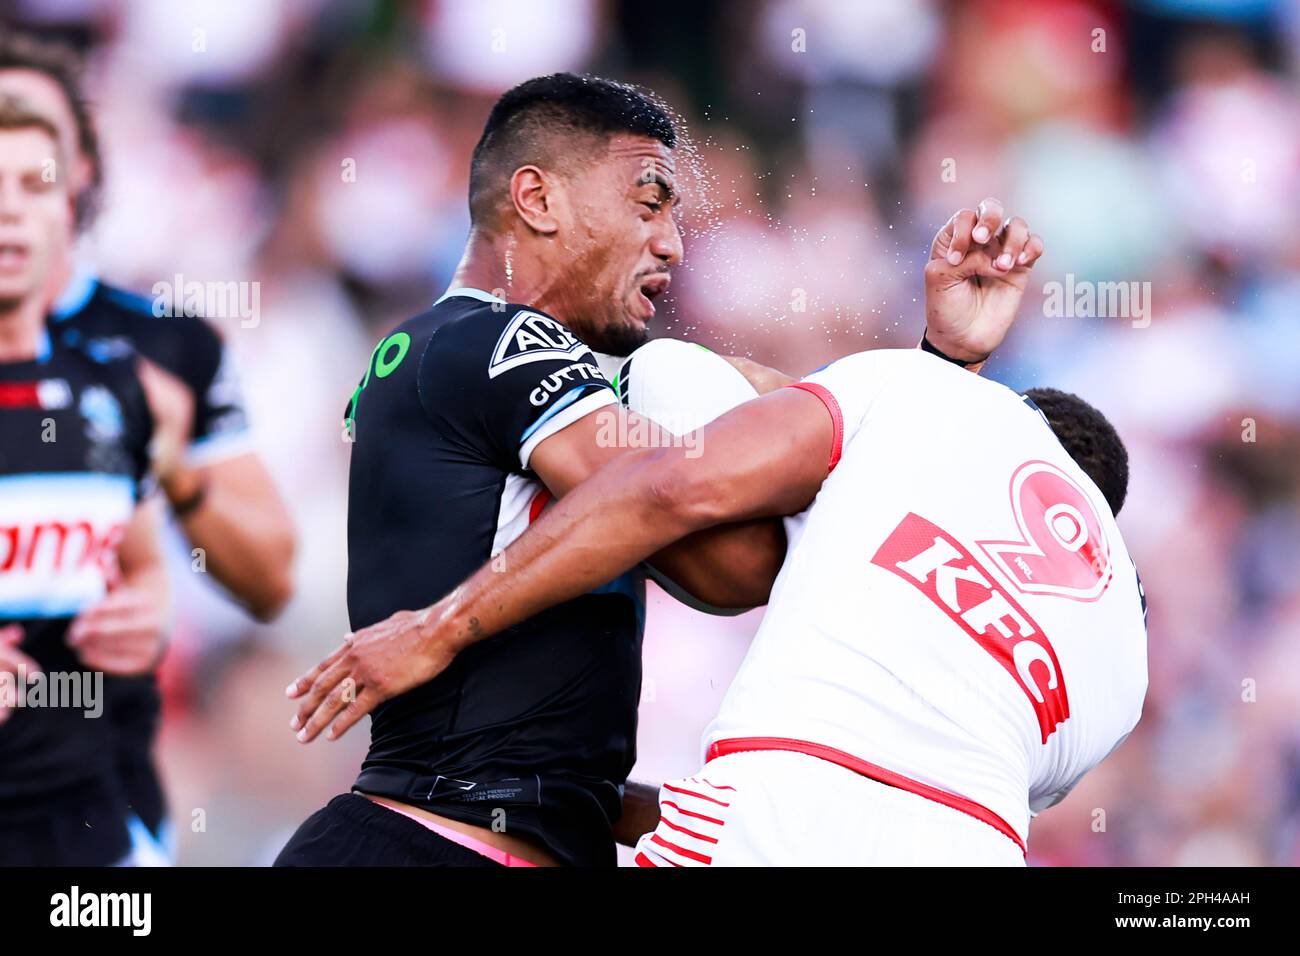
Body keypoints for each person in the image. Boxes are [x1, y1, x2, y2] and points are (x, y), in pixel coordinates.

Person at [283, 70, 1046, 867]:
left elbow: (536, 776)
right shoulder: (500, 345)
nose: (673, 243)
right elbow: (725, 555)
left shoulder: (474, 360)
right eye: (648, 206)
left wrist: (942, 368)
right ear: (539, 201)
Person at [307, 345, 1148, 865]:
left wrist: (440, 626)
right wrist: (593, 801)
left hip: (766, 815)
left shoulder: (939, 409)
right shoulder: (1125, 665)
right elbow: (909, 799)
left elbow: (672, 489)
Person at [0, 31, 297, 861]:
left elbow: (267, 579)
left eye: (37, 169)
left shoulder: (155, 352)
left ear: (80, 176)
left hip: (95, 807)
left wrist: (170, 484)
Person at [0, 94, 176, 866]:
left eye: (34, 186)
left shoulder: (113, 388)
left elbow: (143, 567)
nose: (9, 212)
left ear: (69, 209)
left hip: (89, 828)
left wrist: (150, 615)